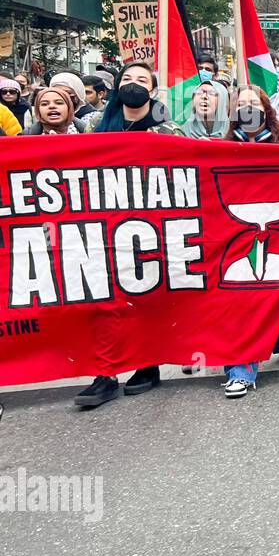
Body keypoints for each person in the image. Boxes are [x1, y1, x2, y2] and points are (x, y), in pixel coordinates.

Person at [74, 64, 184, 408]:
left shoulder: (169, 129)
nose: (132, 85)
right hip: (101, 225)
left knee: (143, 297)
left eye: (141, 81)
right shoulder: (93, 125)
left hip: (148, 227)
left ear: (152, 91)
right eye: (127, 80)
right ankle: (104, 373)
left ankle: (146, 365)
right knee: (102, 301)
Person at [220, 89, 279, 397]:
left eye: (253, 102)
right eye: (241, 104)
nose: (247, 107)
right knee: (240, 297)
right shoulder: (223, 147)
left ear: (266, 107)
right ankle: (240, 368)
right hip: (235, 228)